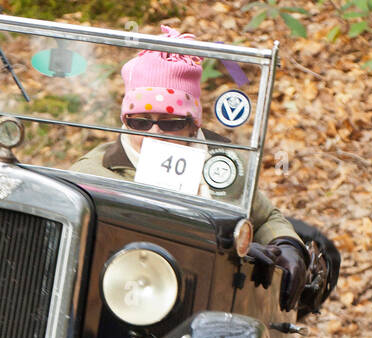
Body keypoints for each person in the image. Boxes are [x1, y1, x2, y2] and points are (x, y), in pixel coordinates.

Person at [72, 26, 313, 312]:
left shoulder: (225, 164)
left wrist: (287, 245)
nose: (155, 133)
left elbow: (264, 216)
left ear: (192, 125)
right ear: (125, 121)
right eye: (141, 122)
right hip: (125, 299)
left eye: (171, 123)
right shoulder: (93, 173)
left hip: (214, 299)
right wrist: (225, 245)